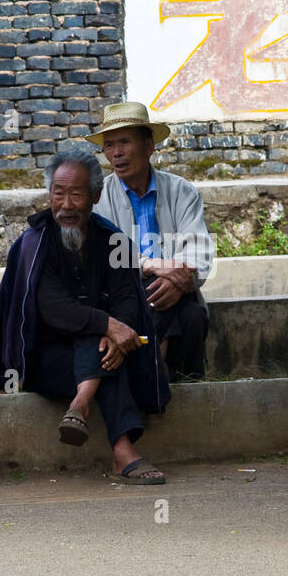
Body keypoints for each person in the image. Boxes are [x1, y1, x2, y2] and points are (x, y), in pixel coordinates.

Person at [0, 148, 171, 484]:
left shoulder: (113, 242)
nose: (66, 205)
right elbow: (52, 307)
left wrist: (117, 334)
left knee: (96, 345)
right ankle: (121, 450)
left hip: (103, 354)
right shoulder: (34, 244)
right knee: (93, 336)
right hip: (44, 362)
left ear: (95, 196)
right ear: (49, 194)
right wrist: (108, 326)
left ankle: (81, 405)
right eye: (59, 193)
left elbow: (129, 298)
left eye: (76, 194)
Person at [89, 101, 214, 381]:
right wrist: (151, 266)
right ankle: (167, 386)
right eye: (109, 145)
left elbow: (198, 252)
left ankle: (166, 388)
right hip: (123, 294)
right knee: (185, 314)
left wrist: (175, 281)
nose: (116, 153)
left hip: (178, 292)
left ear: (149, 146)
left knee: (191, 314)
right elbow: (106, 257)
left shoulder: (181, 191)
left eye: (124, 142)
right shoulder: (100, 198)